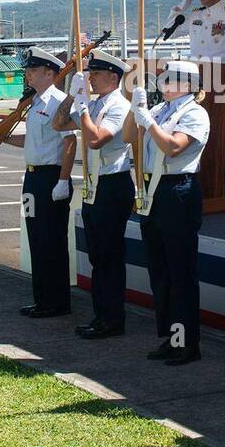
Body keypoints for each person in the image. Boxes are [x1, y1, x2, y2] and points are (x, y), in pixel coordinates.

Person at [122, 59, 209, 365]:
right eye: (163, 77)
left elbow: (174, 147)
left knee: (180, 271)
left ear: (188, 83)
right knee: (160, 270)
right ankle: (171, 338)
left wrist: (149, 122)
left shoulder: (195, 114)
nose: (163, 82)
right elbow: (127, 138)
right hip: (151, 190)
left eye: (170, 78)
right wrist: (136, 109)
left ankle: (187, 343)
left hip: (177, 190)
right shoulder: (159, 110)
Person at [0, 48, 76, 317]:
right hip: (33, 177)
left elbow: (70, 142)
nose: (27, 74)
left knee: (52, 242)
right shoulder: (36, 102)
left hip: (51, 178)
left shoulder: (59, 102)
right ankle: (42, 299)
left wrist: (63, 181)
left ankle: (57, 303)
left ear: (50, 73)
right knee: (37, 240)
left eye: (32, 70)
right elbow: (32, 141)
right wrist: (2, 138)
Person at [53, 49, 134, 339]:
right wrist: (72, 96)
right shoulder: (94, 102)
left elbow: (97, 139)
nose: (91, 79)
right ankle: (101, 316)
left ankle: (112, 319)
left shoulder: (118, 106)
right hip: (95, 186)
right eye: (90, 74)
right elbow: (59, 124)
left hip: (113, 184)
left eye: (96, 74)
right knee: (98, 257)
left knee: (109, 257)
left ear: (113, 77)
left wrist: (84, 108)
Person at [162, 0, 225, 209]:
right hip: (195, 87)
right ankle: (203, 191)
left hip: (222, 88)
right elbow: (168, 31)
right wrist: (181, 6)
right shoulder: (195, 15)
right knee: (195, 139)